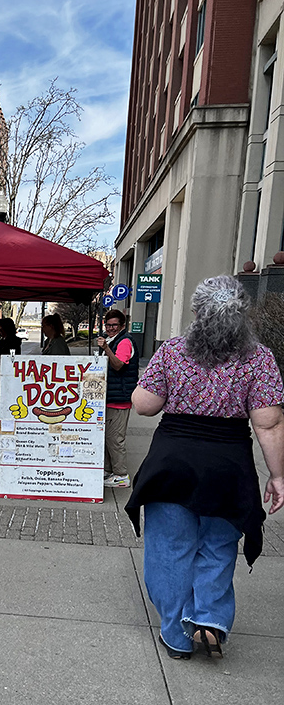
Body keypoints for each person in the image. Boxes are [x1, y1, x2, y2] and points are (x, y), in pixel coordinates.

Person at [125, 275, 284, 660]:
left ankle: (177, 634)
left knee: (170, 548)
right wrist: (278, 475)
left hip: (173, 463)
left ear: (196, 313)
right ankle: (209, 619)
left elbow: (144, 405)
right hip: (228, 465)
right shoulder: (258, 358)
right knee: (218, 544)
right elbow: (268, 422)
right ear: (242, 315)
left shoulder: (174, 351)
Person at [97, 309, 139, 487]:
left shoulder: (124, 342)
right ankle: (108, 471)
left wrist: (106, 348)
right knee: (107, 436)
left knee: (115, 438)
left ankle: (121, 475)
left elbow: (119, 365)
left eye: (114, 325)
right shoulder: (114, 340)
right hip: (111, 397)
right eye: (108, 325)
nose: (110, 328)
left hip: (119, 398)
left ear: (122, 326)